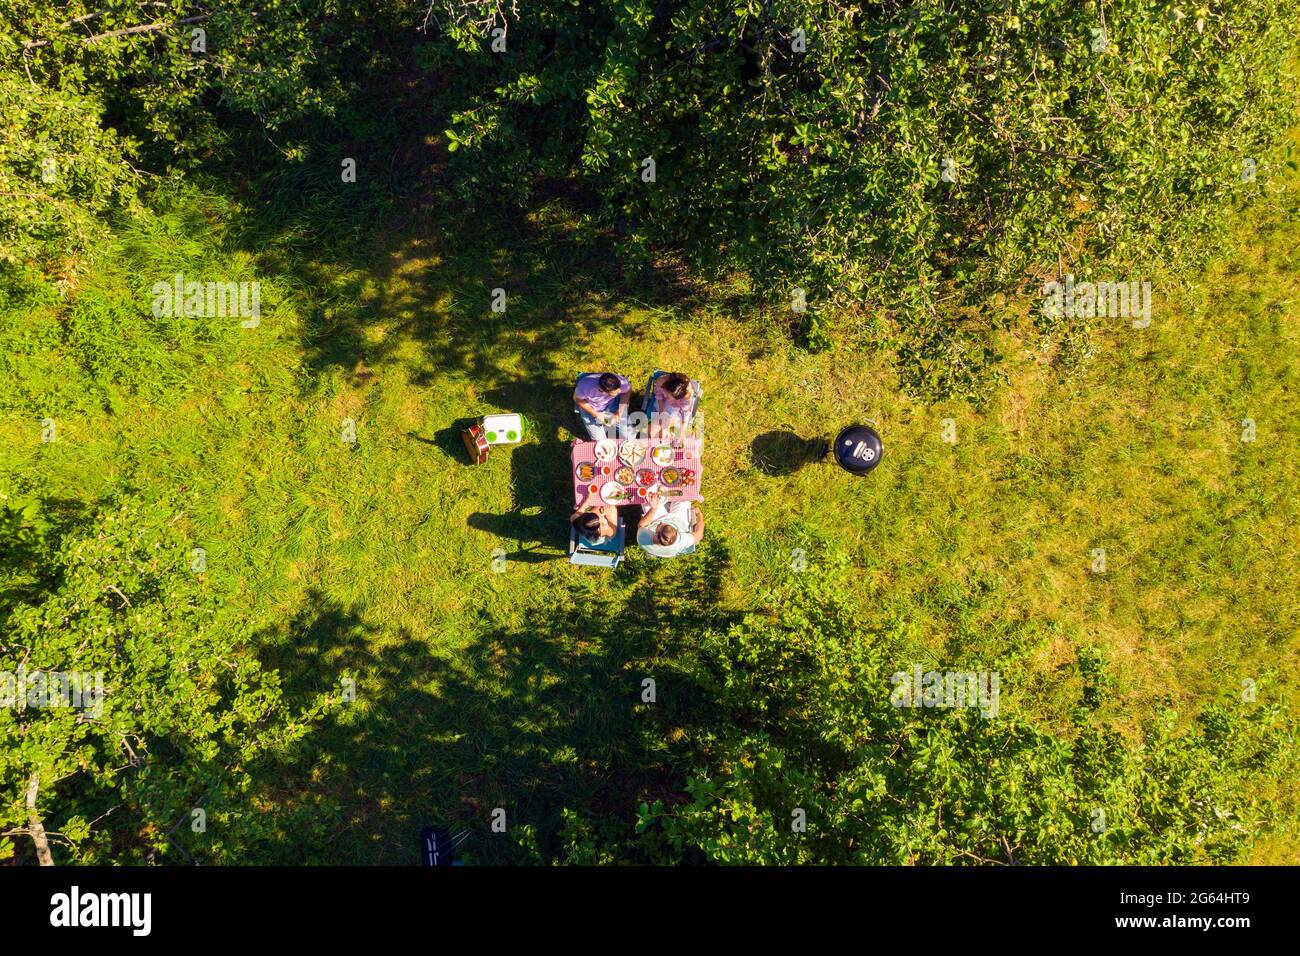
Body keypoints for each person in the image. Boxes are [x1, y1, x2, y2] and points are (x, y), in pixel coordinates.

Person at [636, 492, 703, 558]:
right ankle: (668, 497)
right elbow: (699, 536)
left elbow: (642, 525)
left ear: (656, 533)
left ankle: (663, 498)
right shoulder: (681, 541)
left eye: (659, 525)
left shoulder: (643, 538)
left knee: (647, 496)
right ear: (676, 533)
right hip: (680, 520)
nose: (661, 523)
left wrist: (653, 508)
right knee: (683, 493)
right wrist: (700, 515)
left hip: (657, 519)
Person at [574, 372, 632, 440]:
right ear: (601, 390)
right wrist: (596, 415)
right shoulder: (585, 386)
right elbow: (577, 399)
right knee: (600, 441)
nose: (619, 392)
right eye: (614, 392)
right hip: (591, 408)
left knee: (630, 435)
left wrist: (619, 412)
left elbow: (627, 390)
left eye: (619, 390)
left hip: (611, 405)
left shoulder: (621, 382)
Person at [647, 371, 695, 439]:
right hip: (662, 406)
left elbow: (685, 415)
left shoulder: (686, 398)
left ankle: (669, 435)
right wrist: (661, 413)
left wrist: (682, 434)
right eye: (665, 393)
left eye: (668, 396)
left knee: (660, 435)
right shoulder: (661, 381)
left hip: (676, 411)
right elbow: (660, 398)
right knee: (650, 432)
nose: (665, 395)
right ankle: (668, 434)